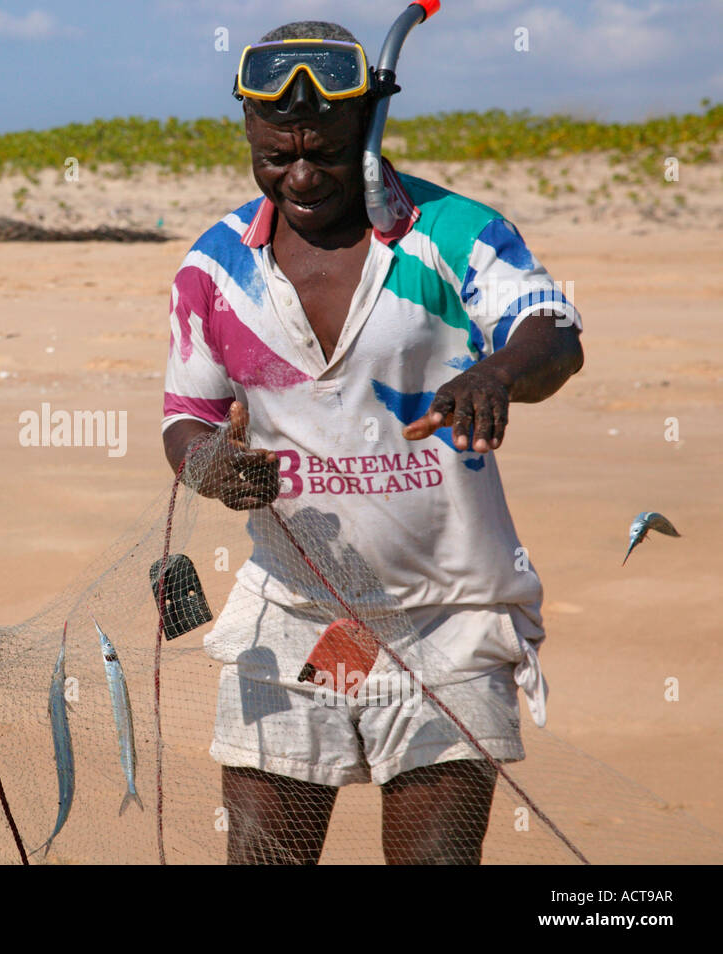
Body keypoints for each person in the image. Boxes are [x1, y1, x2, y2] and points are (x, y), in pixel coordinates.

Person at [161, 20, 584, 864]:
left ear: (371, 126)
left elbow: (553, 333)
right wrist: (214, 468)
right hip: (301, 619)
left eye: (324, 150)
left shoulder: (456, 233)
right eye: (276, 155)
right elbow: (188, 422)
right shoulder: (214, 269)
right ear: (250, 132)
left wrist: (497, 374)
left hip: (449, 624)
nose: (302, 175)